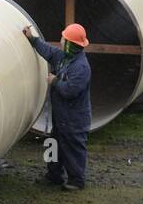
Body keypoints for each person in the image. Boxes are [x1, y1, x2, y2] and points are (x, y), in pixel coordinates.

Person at [22, 23, 92, 191]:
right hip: (61, 117)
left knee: (73, 148)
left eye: (64, 39)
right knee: (52, 143)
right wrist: (33, 39)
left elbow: (70, 91)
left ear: (70, 44)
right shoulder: (64, 57)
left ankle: (76, 180)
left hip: (74, 119)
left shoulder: (81, 67)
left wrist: (54, 80)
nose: (61, 41)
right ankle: (54, 174)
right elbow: (48, 51)